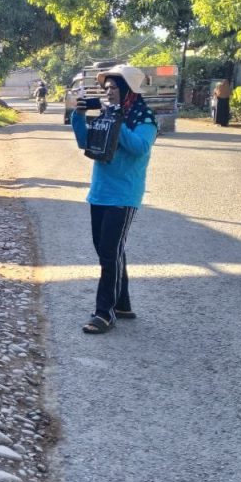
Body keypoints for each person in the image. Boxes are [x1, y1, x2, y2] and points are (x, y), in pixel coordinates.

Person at [70, 65, 158, 335]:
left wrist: (118, 118)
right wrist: (79, 115)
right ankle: (122, 303)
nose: (108, 92)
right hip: (100, 192)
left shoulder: (144, 120)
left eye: (114, 88)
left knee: (110, 251)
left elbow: (139, 148)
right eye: (106, 88)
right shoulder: (106, 116)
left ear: (128, 91)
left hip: (124, 193)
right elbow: (86, 143)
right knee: (107, 249)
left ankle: (103, 313)